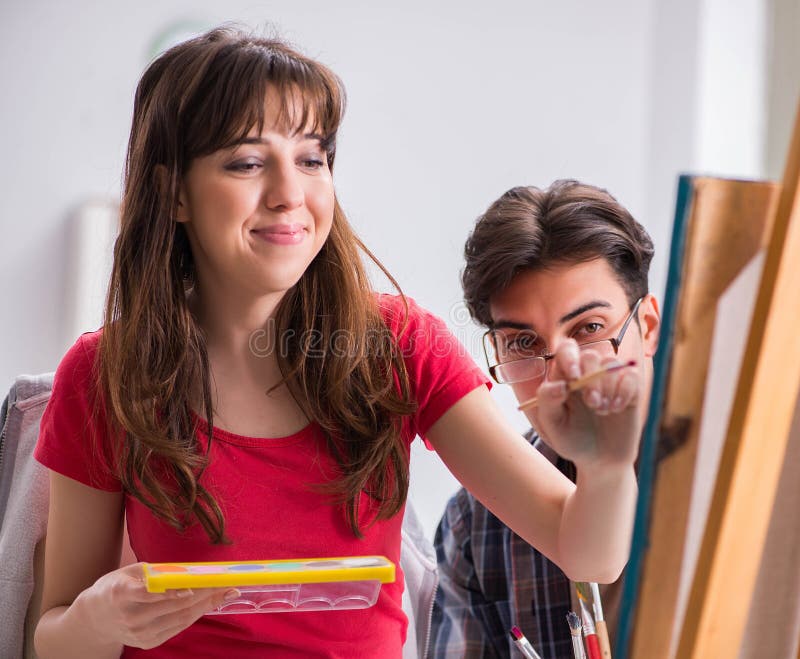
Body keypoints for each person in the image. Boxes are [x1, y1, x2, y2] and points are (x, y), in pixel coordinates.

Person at [33, 28, 645, 659]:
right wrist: (99, 621)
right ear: (173, 193)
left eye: (312, 159)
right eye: (247, 162)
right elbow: (51, 640)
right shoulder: (105, 374)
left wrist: (604, 466)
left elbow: (585, 554)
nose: (289, 194)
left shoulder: (402, 346)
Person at [428, 180, 661, 658]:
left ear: (649, 326)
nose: (562, 369)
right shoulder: (475, 523)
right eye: (523, 343)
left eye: (590, 329)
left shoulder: (737, 480)